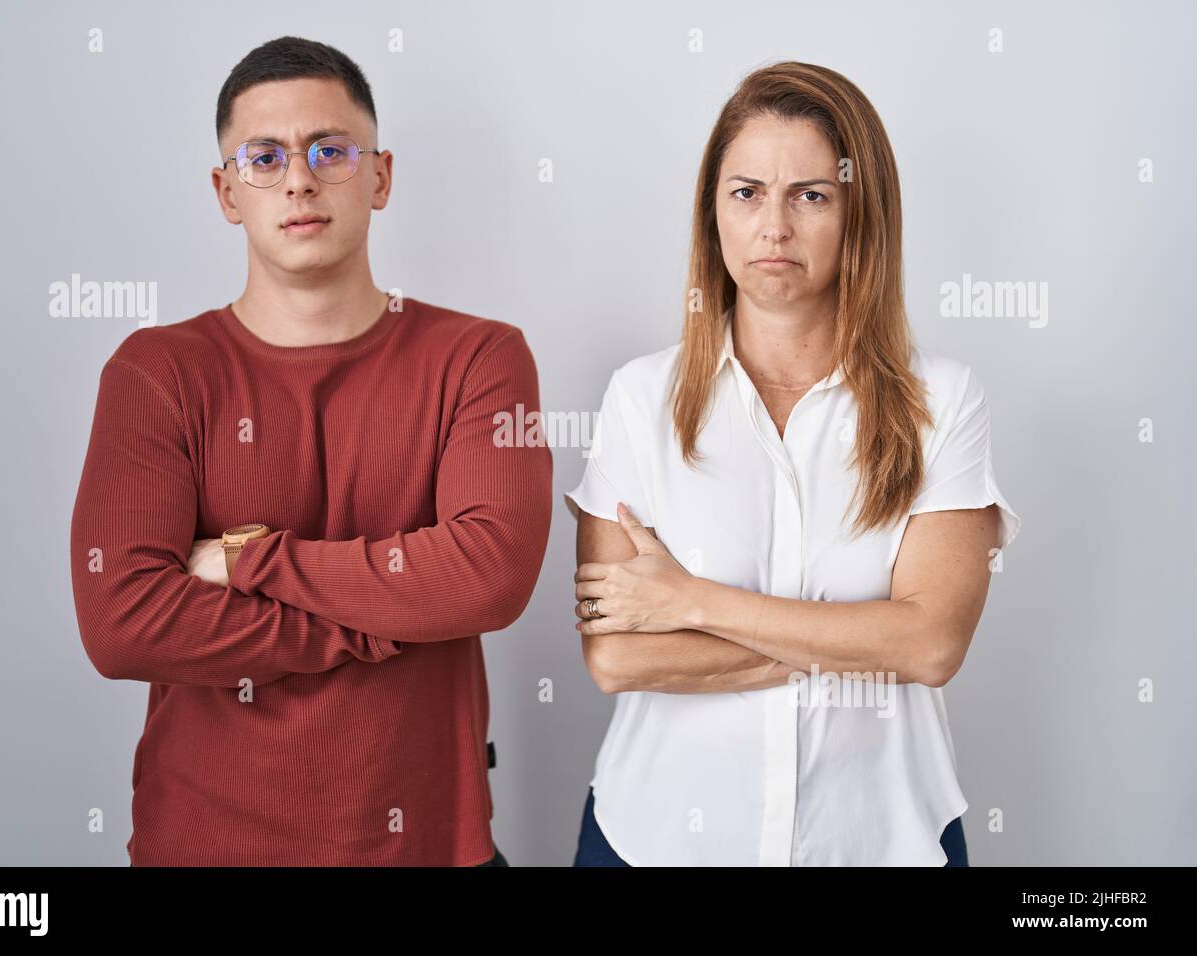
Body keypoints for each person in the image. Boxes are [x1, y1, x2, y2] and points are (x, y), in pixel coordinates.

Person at [69, 36, 550, 866]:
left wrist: (245, 558)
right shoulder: (156, 372)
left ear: (381, 176)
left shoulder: (481, 358)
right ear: (226, 192)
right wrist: (374, 627)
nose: (299, 178)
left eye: (331, 150)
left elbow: (489, 577)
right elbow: (123, 625)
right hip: (206, 846)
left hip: (429, 848)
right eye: (264, 157)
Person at [564, 61, 1021, 866]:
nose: (773, 226)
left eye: (811, 195)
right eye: (746, 193)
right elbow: (618, 657)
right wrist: (857, 642)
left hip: (881, 840)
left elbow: (930, 647)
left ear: (860, 214)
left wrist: (691, 601)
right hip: (655, 838)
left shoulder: (942, 401)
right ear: (714, 216)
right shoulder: (641, 397)